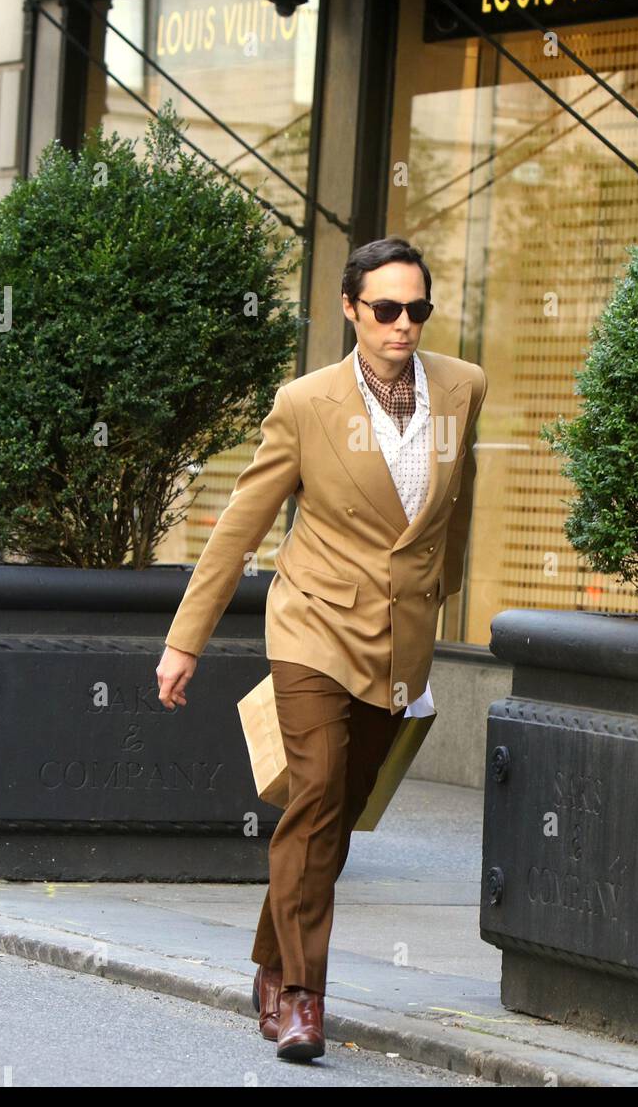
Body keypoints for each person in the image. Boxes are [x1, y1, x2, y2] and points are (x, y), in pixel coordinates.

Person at [156, 235, 487, 1063]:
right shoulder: (305, 403)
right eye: (385, 309)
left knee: (337, 810)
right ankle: (304, 997)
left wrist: (439, 598)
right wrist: (184, 641)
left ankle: (271, 960)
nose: (402, 325)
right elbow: (242, 524)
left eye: (417, 309)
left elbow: (457, 503)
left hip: (401, 638)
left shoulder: (462, 388)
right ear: (350, 310)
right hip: (311, 624)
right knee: (313, 792)